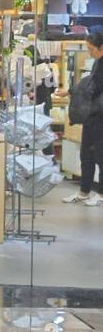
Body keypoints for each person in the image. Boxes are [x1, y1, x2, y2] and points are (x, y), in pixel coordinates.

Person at [65, 28, 103, 207]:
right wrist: (71, 91)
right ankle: (84, 191)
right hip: (92, 116)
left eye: (91, 48)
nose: (89, 52)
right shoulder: (97, 63)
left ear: (101, 47)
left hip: (101, 117)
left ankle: (101, 194)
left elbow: (93, 88)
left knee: (101, 156)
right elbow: (89, 84)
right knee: (86, 155)